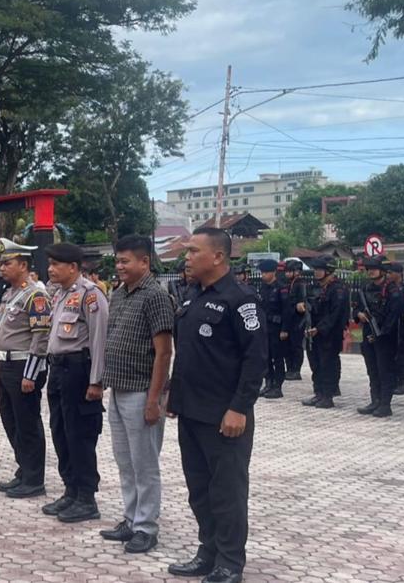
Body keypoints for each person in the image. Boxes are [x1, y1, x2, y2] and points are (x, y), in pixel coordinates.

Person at [166, 228, 266, 583]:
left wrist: (240, 407)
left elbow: (256, 359)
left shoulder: (241, 299)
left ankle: (229, 562)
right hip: (191, 411)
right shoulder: (193, 295)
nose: (187, 257)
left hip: (224, 415)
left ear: (219, 256)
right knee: (199, 489)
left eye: (194, 251)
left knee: (227, 492)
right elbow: (189, 353)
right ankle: (207, 552)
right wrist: (175, 397)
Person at [99, 235, 174, 555]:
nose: (119, 266)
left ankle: (146, 527)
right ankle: (130, 519)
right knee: (126, 462)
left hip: (142, 391)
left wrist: (154, 400)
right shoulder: (119, 294)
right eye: (117, 260)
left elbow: (164, 352)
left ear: (144, 262)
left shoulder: (155, 296)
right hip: (118, 389)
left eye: (125, 261)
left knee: (145, 465)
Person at [41, 242, 109, 524]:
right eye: (50, 264)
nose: (50, 269)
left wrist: (96, 381)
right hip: (58, 369)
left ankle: (86, 498)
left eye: (56, 264)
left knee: (79, 434)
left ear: (72, 267)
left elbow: (99, 340)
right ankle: (71, 490)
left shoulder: (91, 295)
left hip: (79, 371)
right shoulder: (59, 294)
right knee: (60, 431)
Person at [0, 239, 51, 499]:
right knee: (10, 420)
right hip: (7, 365)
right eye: (1, 263)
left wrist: (31, 374)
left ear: (23, 265)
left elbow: (41, 338)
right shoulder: (9, 293)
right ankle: (24, 469)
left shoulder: (36, 295)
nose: (2, 268)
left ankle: (34, 479)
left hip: (24, 366)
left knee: (27, 423)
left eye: (7, 263)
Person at [354, 257, 399, 418]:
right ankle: (375, 400)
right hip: (368, 333)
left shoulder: (392, 290)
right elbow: (356, 308)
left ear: (383, 270)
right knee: (372, 370)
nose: (370, 272)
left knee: (384, 370)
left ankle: (385, 404)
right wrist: (359, 314)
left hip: (385, 336)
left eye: (373, 269)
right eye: (368, 269)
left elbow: (393, 315)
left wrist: (381, 335)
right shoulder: (365, 288)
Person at [302, 257, 347, 409]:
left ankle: (328, 396)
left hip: (329, 334)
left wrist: (320, 328)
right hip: (313, 332)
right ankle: (319, 392)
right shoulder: (315, 287)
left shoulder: (338, 289)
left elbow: (336, 314)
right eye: (315, 269)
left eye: (319, 270)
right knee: (315, 363)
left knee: (328, 364)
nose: (316, 272)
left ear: (328, 271)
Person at [253, 260, 286, 399]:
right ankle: (268, 383)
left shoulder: (281, 288)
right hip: (265, 327)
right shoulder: (263, 288)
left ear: (273, 272)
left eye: (265, 272)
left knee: (277, 358)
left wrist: (285, 329)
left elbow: (287, 311)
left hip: (277, 328)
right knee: (265, 358)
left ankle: (277, 387)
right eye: (262, 273)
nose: (263, 275)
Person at [386, 262, 404, 395]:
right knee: (389, 355)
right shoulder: (387, 288)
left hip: (402, 327)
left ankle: (402, 382)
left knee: (400, 355)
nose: (388, 275)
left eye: (391, 272)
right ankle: (393, 381)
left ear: (399, 273)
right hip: (390, 327)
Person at [282, 259, 308, 381]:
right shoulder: (288, 283)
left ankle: (296, 370)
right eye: (286, 271)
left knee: (296, 345)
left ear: (297, 271)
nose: (287, 273)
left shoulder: (300, 284)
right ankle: (289, 369)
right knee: (287, 346)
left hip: (298, 319)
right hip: (289, 318)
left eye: (289, 271)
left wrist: (299, 305)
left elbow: (302, 303)